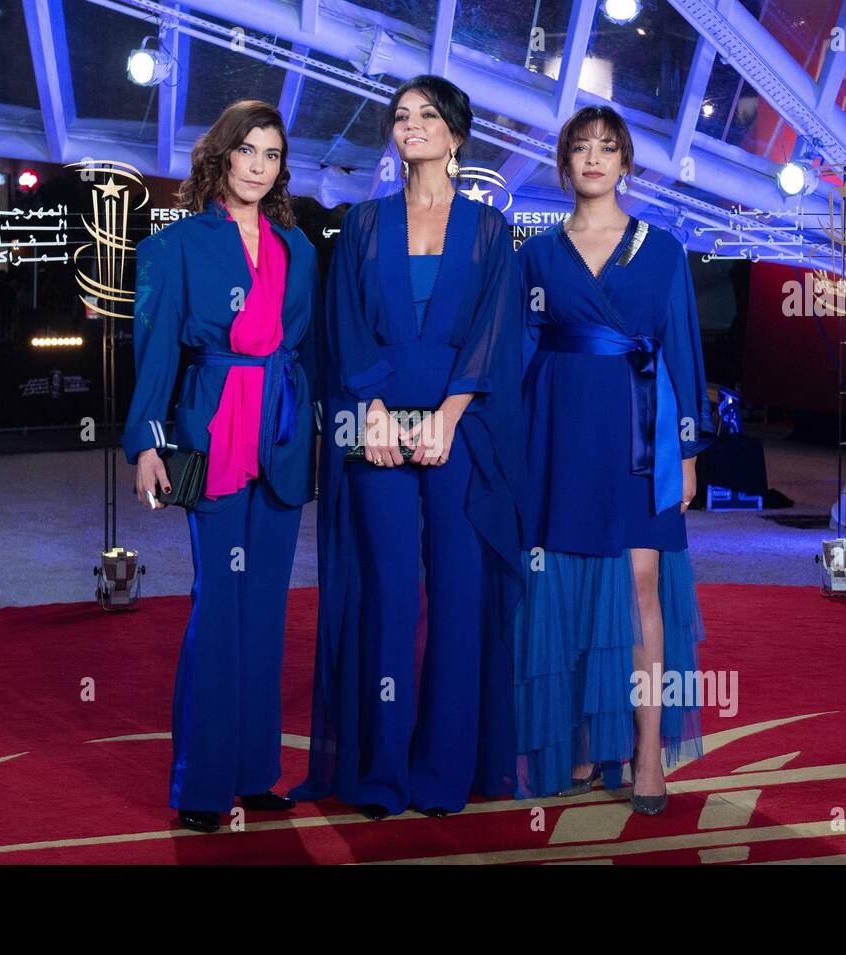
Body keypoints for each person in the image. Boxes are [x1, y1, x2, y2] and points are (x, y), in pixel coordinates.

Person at [289, 75, 525, 819]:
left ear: (456, 134)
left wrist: (450, 416)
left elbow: (496, 332)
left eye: (427, 115)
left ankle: (442, 773)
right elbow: (344, 327)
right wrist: (377, 411)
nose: (410, 125)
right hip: (376, 428)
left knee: (458, 597)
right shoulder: (362, 224)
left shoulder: (489, 230)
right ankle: (380, 773)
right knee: (386, 594)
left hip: (463, 431)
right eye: (401, 116)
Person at [124, 100, 320, 833]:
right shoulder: (176, 249)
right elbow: (157, 353)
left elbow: (309, 351)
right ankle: (203, 785)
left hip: (282, 435)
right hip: (212, 436)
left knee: (267, 612)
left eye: (271, 154)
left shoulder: (299, 249)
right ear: (222, 158)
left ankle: (255, 772)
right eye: (247, 151)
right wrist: (146, 441)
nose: (258, 165)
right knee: (218, 605)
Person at [514, 105, 716, 814]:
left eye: (608, 147)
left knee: (640, 583)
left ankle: (648, 750)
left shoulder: (661, 249)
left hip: (641, 432)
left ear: (626, 162)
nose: (594, 158)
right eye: (580, 147)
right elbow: (518, 354)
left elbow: (683, 351)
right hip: (560, 432)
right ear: (564, 162)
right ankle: (570, 740)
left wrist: (687, 451)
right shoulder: (534, 255)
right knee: (561, 582)